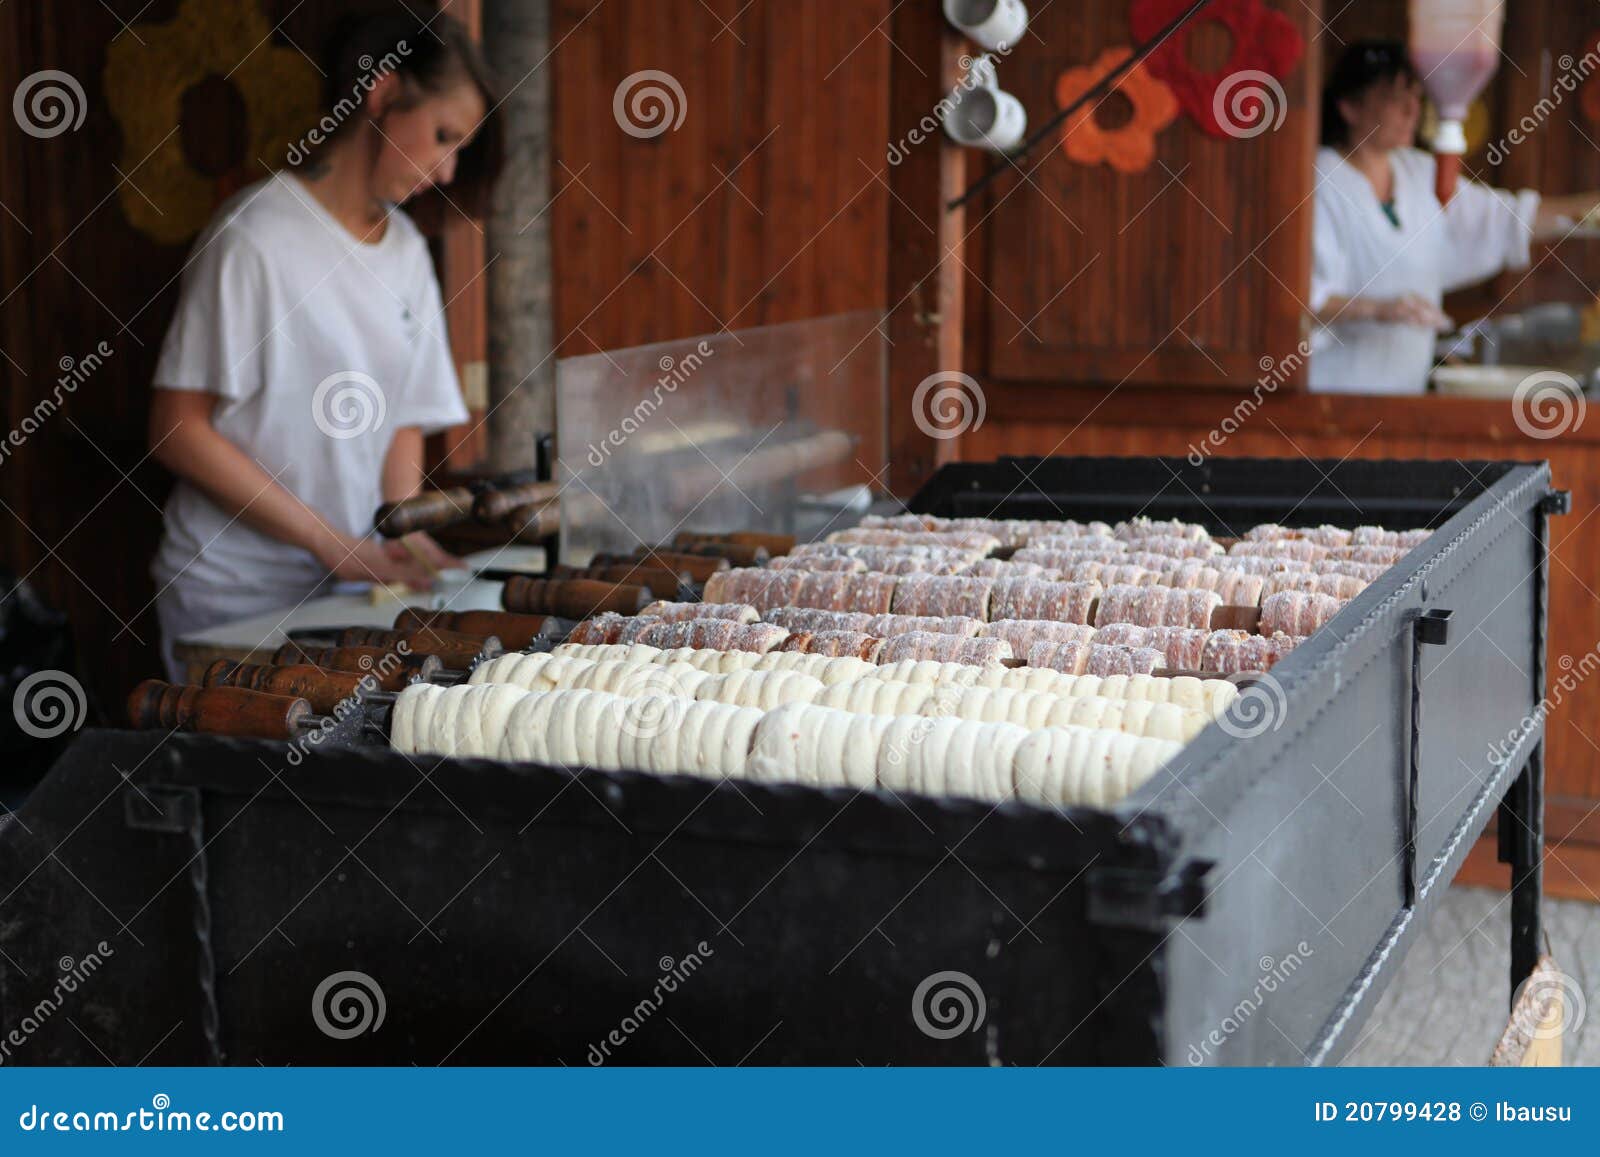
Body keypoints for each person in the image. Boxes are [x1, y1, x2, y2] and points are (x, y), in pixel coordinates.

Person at [148, 14, 500, 680]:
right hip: (231, 600)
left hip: (350, 598)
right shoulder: (254, 237)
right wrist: (325, 540)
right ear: (383, 92)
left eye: (460, 149)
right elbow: (176, 429)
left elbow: (403, 424)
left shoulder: (407, 254)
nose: (448, 169)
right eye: (442, 137)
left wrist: (411, 540)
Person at [1309, 40, 1600, 394]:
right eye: (1393, 97)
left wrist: (1586, 210)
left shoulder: (1419, 171)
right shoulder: (1318, 178)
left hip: (1403, 390)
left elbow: (1500, 218)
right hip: (1332, 390)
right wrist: (1380, 309)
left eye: (1415, 97)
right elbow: (1302, 298)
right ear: (1350, 107)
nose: (1410, 109)